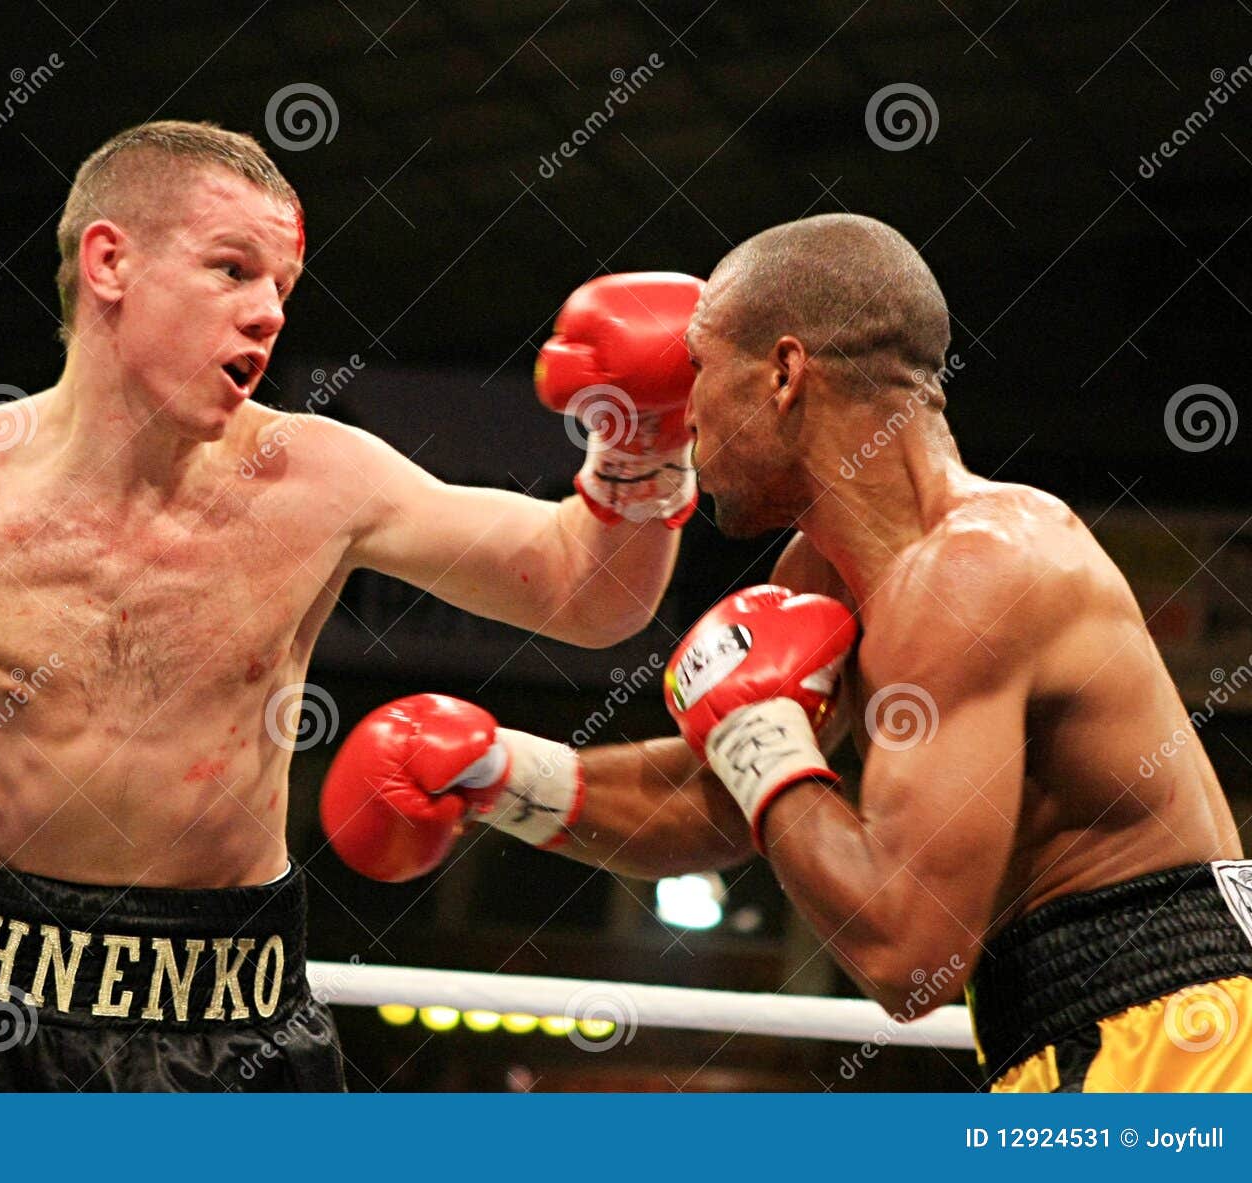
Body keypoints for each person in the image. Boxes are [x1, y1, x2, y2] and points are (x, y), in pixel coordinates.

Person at [0, 120, 702, 1092]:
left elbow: (590, 593)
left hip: (234, 1019)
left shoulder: (318, 479)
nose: (270, 312)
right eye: (232, 269)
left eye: (284, 286)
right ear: (112, 263)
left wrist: (644, 443)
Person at [320, 213, 1252, 1093]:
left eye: (697, 370)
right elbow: (726, 799)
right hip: (1073, 1035)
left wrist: (759, 735)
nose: (680, 414)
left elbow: (909, 956)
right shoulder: (832, 569)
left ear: (783, 373)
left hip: (1176, 1035)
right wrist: (492, 773)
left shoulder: (980, 570)